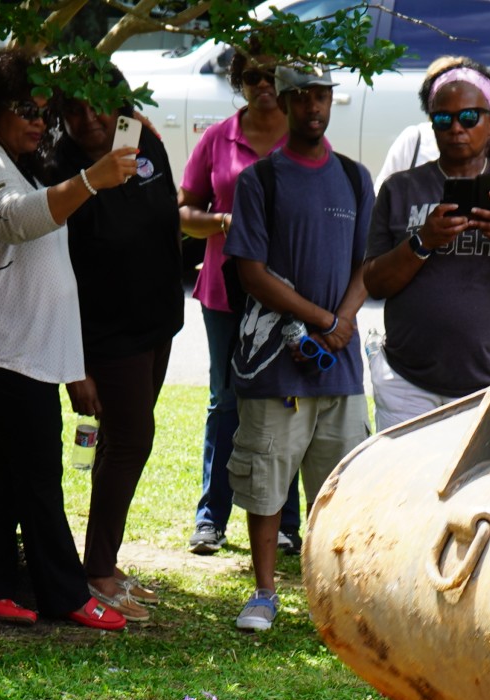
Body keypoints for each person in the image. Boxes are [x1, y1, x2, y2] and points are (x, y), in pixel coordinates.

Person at [0, 48, 135, 632]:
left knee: (7, 463)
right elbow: (20, 221)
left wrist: (71, 365)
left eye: (44, 111)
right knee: (40, 468)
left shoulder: (9, 163)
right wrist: (93, 180)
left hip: (17, 351)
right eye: (25, 107)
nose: (39, 120)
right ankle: (65, 593)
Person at [223, 63, 372, 635]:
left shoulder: (356, 179)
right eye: (303, 97)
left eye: (323, 96)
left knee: (338, 487)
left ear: (333, 102)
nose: (314, 106)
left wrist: (344, 320)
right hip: (274, 364)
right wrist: (323, 320)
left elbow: (367, 265)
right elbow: (251, 273)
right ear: (283, 104)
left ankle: (332, 594)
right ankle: (264, 592)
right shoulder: (261, 180)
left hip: (339, 366)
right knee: (267, 480)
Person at [46, 94, 184, 617]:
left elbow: (166, 214)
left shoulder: (141, 138)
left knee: (120, 441)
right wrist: (75, 365)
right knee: (132, 438)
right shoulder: (61, 167)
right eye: (74, 111)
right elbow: (58, 272)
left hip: (158, 321)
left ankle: (104, 560)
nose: (90, 118)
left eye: (97, 105)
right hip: (105, 335)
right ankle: (98, 571)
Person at [362, 63, 490, 426]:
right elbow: (375, 283)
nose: (456, 128)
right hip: (406, 383)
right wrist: (422, 242)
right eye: (443, 119)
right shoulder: (400, 189)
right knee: (407, 481)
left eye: (468, 117)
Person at [178, 42, 295, 556]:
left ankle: (286, 522)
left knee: (282, 401)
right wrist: (228, 222)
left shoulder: (302, 135)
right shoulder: (217, 138)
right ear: (239, 84)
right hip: (224, 289)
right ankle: (210, 519)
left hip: (288, 291)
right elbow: (184, 211)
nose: (263, 84)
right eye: (251, 77)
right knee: (225, 399)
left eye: (271, 75)